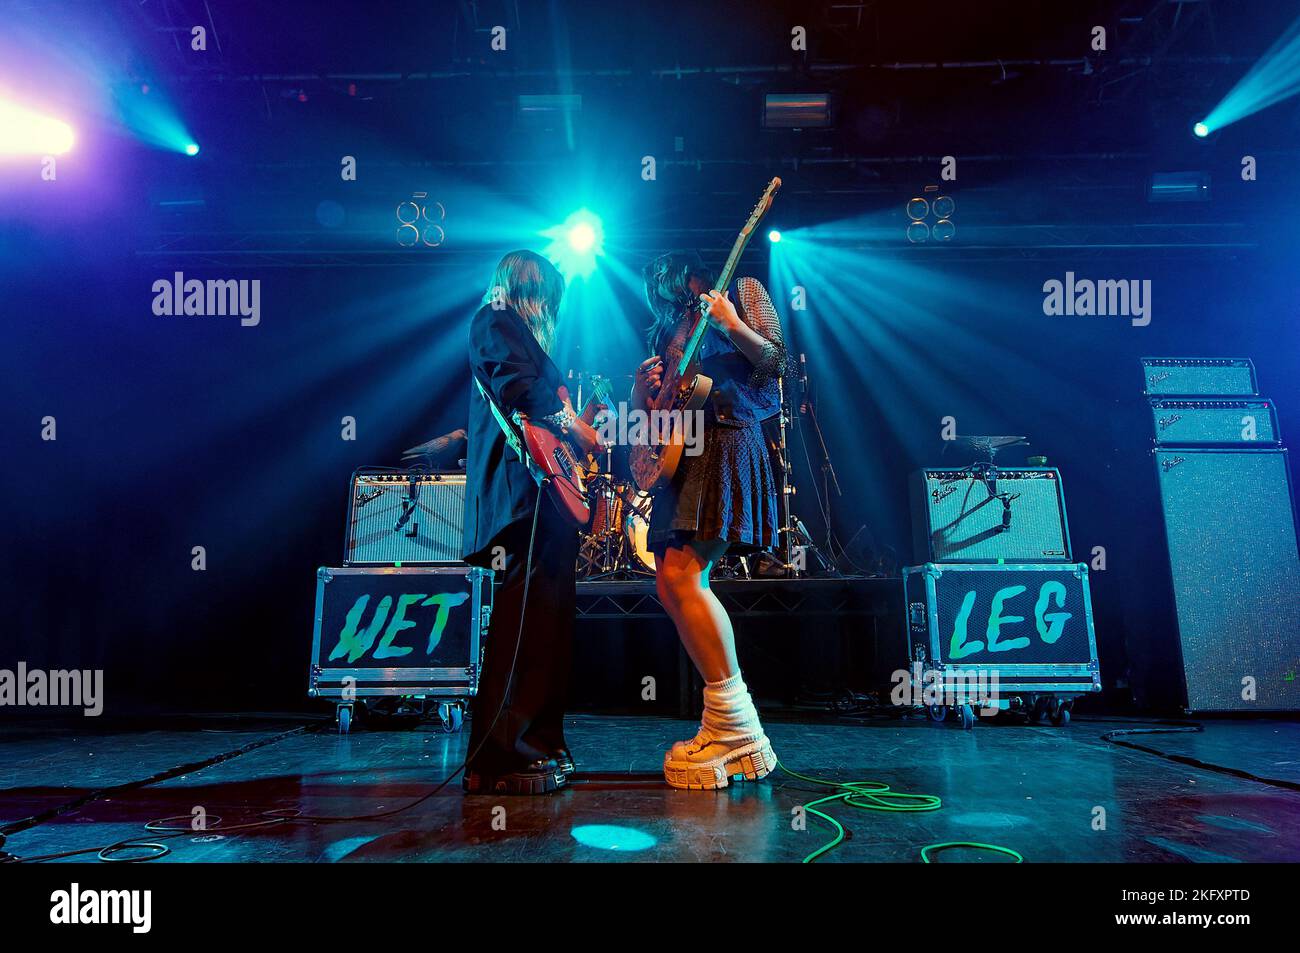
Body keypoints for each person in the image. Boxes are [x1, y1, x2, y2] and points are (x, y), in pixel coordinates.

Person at [634, 250, 786, 790]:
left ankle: (736, 728)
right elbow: (658, 416)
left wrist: (732, 324)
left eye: (673, 278)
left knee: (682, 577)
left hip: (724, 442)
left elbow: (776, 365)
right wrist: (642, 393)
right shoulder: (670, 325)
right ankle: (728, 723)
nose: (670, 290)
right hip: (685, 449)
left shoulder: (739, 290)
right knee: (671, 582)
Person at [461, 250, 601, 795]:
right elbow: (519, 390)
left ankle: (540, 744)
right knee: (522, 627)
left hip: (544, 499)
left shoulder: (521, 334)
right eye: (549, 297)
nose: (553, 310)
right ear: (528, 288)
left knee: (548, 626)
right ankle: (499, 757)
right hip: (518, 499)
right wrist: (579, 429)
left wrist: (574, 430)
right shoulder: (493, 321)